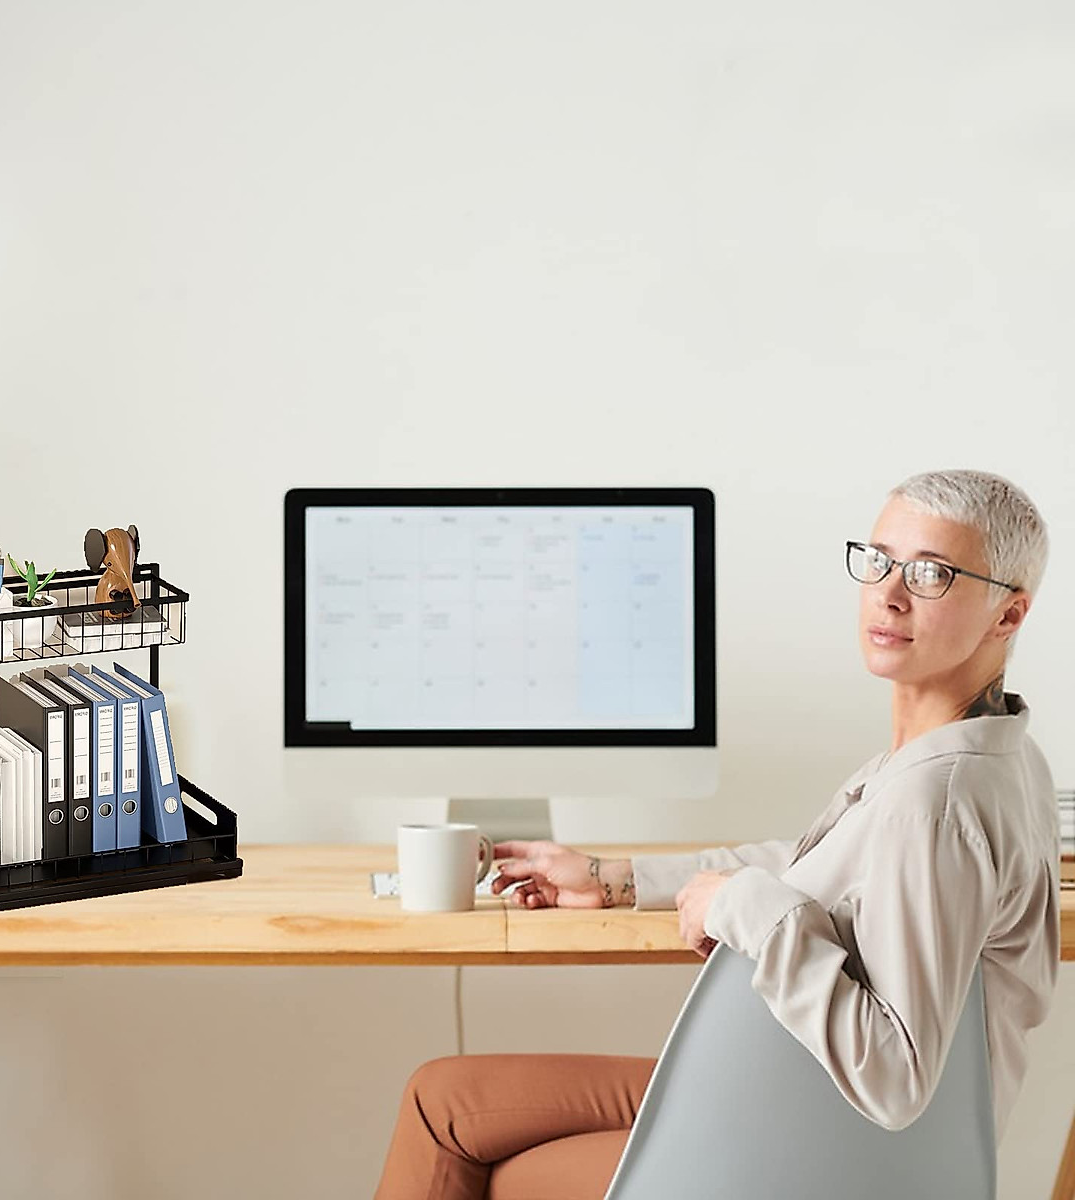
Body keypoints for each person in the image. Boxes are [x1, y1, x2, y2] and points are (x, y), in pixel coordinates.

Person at [373, 469, 1060, 1200]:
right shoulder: (989, 756)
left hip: (834, 1149)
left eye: (932, 574)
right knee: (442, 1100)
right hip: (792, 1095)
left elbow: (894, 1076)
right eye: (881, 559)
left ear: (1007, 616)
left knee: (497, 1168)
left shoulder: (934, 801)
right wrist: (617, 877)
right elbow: (825, 866)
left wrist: (747, 908)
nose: (890, 592)